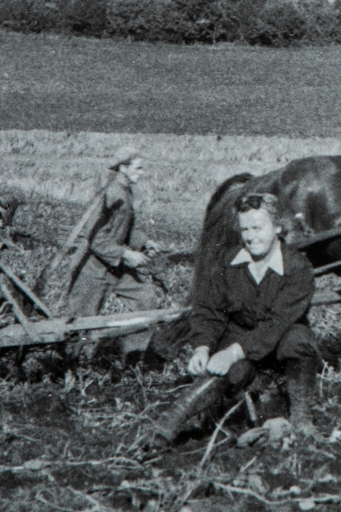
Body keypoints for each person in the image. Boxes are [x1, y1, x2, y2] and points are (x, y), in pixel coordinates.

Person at [147, 193, 320, 447]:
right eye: (245, 229)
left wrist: (232, 353)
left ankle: (302, 416)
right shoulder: (227, 262)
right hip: (240, 343)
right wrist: (202, 348)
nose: (251, 236)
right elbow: (209, 310)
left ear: (278, 228)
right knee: (229, 370)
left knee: (299, 339)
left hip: (280, 342)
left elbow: (276, 325)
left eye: (258, 228)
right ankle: (166, 428)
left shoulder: (298, 268)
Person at [63, 150, 161, 360]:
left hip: (116, 266)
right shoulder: (109, 193)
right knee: (81, 324)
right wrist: (126, 254)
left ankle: (133, 357)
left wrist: (144, 242)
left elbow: (126, 228)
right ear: (123, 168)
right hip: (93, 268)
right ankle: (69, 371)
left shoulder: (125, 192)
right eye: (138, 167)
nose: (142, 173)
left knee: (146, 299)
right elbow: (96, 237)